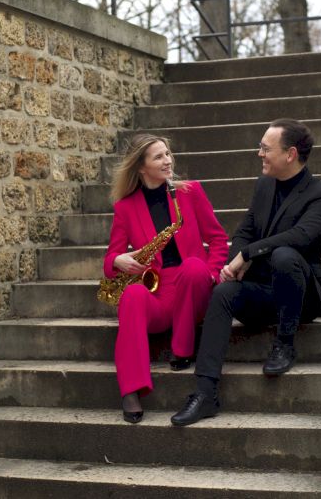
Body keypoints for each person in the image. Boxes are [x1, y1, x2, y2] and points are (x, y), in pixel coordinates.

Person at [170, 119, 321, 426]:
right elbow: (246, 231)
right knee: (222, 293)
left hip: (301, 297)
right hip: (263, 292)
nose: (259, 153)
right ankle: (205, 392)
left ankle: (284, 344)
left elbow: (301, 236)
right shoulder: (264, 185)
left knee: (286, 255)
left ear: (289, 154)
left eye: (265, 148)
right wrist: (235, 261)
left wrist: (247, 255)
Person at [103, 134, 229, 424]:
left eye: (168, 154)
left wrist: (210, 275)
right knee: (132, 296)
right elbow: (110, 263)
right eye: (158, 157)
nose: (168, 161)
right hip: (159, 292)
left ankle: (182, 349)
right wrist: (117, 260)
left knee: (195, 266)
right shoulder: (125, 207)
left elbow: (219, 240)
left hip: (194, 285)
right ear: (141, 167)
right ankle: (131, 389)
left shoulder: (190, 192)